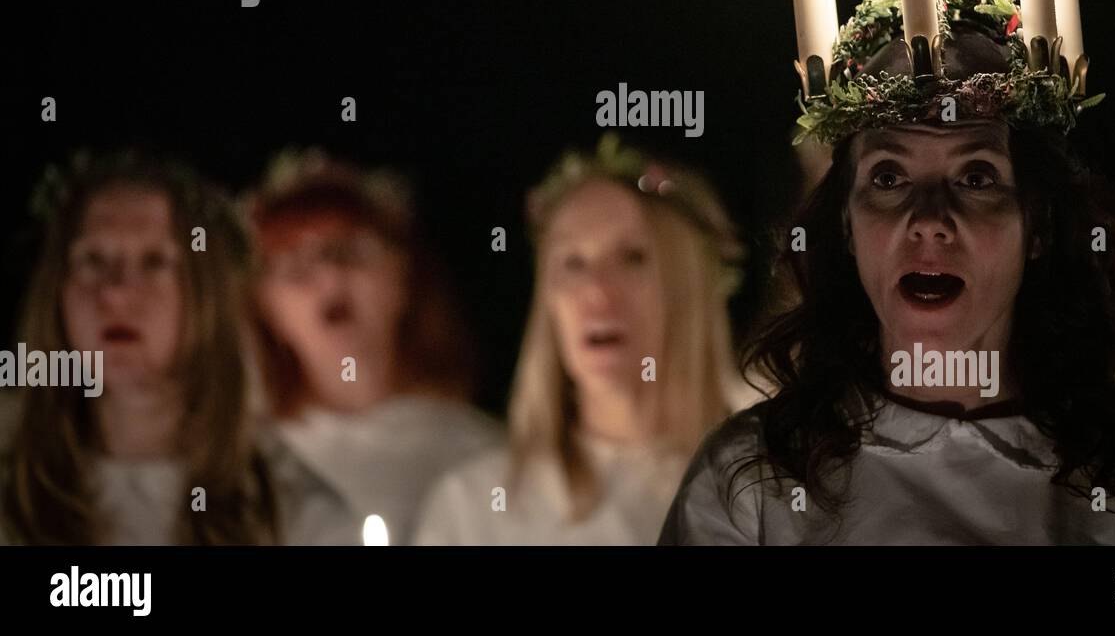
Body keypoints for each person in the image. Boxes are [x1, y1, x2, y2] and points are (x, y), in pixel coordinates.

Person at [659, 0, 1115, 545]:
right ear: (847, 228)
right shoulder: (748, 481)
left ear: (1037, 226)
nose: (929, 221)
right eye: (888, 179)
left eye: (976, 178)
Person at [414, 133, 750, 545]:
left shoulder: (776, 478)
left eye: (633, 257)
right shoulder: (475, 508)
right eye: (572, 262)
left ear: (695, 284)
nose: (596, 291)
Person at [0, 149, 348, 545]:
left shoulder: (295, 514)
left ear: (205, 294)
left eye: (153, 262)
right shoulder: (12, 486)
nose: (115, 293)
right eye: (93, 260)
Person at [244, 148, 500, 545]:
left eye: (352, 252)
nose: (330, 274)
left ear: (405, 280)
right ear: (266, 309)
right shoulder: (244, 469)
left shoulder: (488, 457)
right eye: (296, 265)